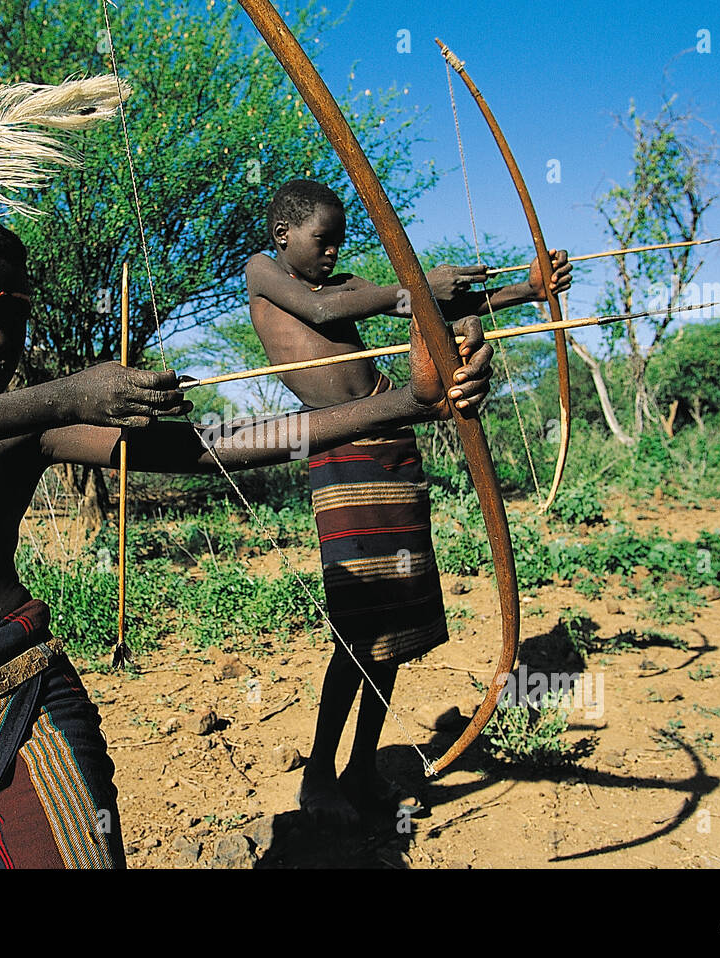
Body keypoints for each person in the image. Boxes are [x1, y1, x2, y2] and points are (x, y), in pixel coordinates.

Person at [0, 211, 491, 867]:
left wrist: (409, 402)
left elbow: (223, 445)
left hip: (21, 704)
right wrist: (64, 396)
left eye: (15, 320)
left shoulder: (32, 425)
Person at [244, 179, 571, 826]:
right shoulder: (263, 273)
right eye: (322, 239)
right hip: (344, 449)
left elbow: (437, 314)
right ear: (284, 235)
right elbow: (329, 314)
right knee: (359, 629)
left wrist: (525, 291)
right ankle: (318, 777)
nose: (334, 251)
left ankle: (362, 767)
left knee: (393, 628)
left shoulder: (350, 286)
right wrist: (413, 290)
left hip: (394, 437)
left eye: (340, 240)